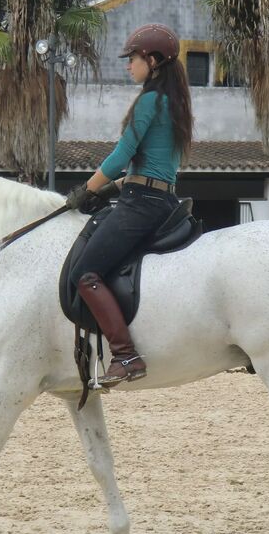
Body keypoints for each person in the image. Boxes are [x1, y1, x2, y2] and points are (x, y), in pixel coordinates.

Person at [64, 23, 193, 387]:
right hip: (160, 198)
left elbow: (123, 155)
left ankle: (125, 355)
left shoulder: (150, 100)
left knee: (84, 274)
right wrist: (111, 189)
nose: (128, 66)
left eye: (132, 59)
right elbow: (154, 165)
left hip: (141, 205)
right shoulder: (174, 101)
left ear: (151, 60)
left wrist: (84, 190)